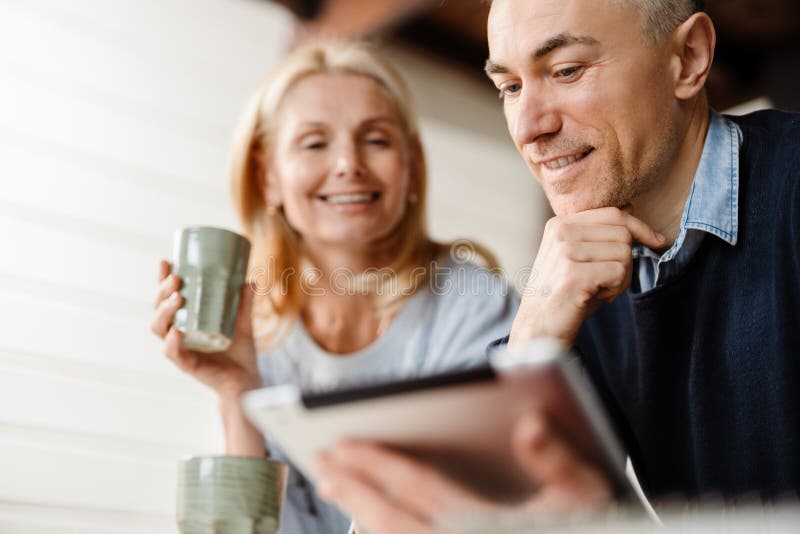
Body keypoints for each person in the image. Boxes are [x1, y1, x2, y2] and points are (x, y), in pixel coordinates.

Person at [315, 1, 800, 532]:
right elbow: (479, 512)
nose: (528, 127)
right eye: (511, 87)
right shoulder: (579, 284)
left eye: (566, 71)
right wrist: (531, 341)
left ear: (688, 58)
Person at [149, 41, 518, 534]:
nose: (348, 164)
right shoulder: (252, 326)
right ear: (269, 179)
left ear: (412, 168)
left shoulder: (474, 306)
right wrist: (238, 390)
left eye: (377, 140)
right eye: (315, 143)